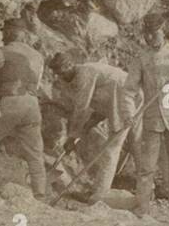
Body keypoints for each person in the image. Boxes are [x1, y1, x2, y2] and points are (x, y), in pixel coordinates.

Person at [123, 12, 169, 221]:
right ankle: (142, 212)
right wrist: (129, 114)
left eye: (153, 33)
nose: (149, 38)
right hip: (152, 120)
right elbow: (129, 90)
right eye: (146, 34)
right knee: (146, 168)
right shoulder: (141, 58)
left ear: (162, 30)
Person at [51, 52, 139, 203]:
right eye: (58, 72)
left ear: (70, 65)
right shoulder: (70, 80)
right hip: (115, 99)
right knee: (132, 145)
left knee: (113, 148)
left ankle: (99, 195)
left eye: (63, 70)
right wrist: (84, 129)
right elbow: (99, 103)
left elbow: (81, 107)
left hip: (126, 98)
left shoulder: (85, 73)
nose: (60, 75)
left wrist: (72, 136)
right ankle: (143, 188)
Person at [0, 19, 47, 200]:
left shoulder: (3, 52)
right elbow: (37, 85)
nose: (2, 36)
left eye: (4, 32)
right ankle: (40, 193)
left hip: (12, 100)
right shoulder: (38, 56)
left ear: (9, 32)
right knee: (35, 153)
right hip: (32, 104)